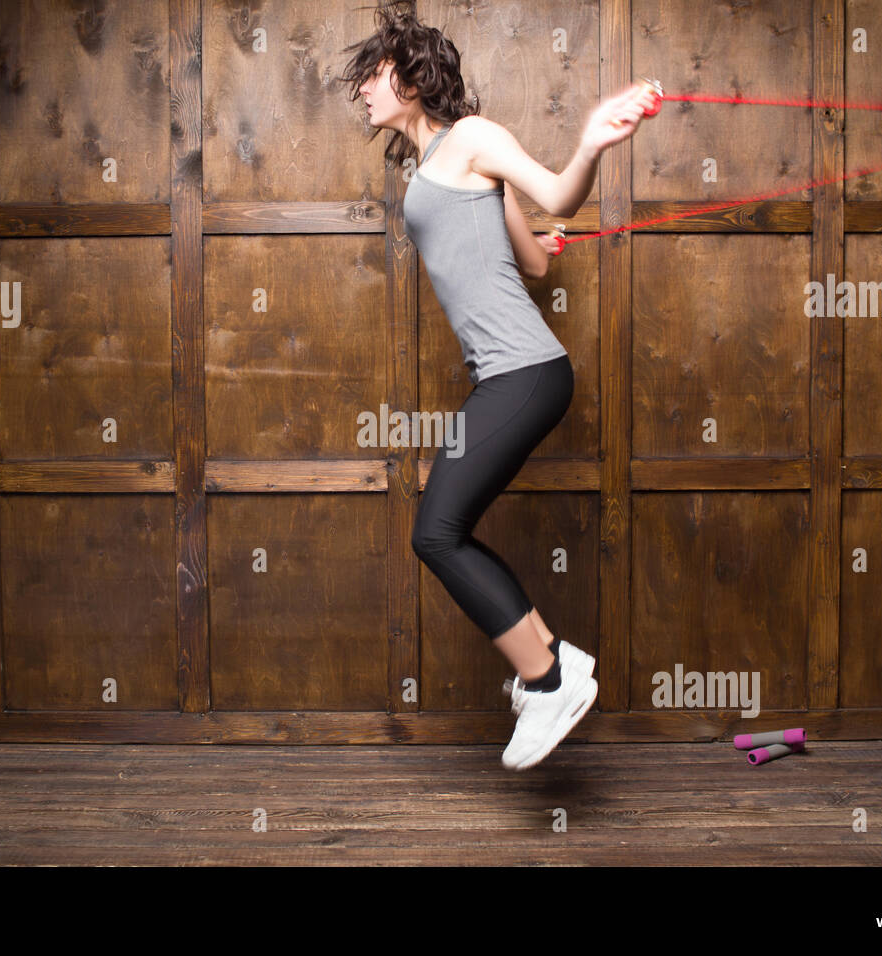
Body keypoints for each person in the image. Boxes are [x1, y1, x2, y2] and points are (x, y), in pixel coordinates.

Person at [341, 3, 654, 770]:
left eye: (373, 76)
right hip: (514, 375)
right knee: (447, 530)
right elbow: (536, 261)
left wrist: (591, 142)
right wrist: (538, 241)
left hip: (524, 372)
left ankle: (546, 680)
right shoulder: (434, 166)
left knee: (435, 533)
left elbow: (559, 193)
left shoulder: (473, 138)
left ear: (411, 75)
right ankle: (551, 660)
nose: (363, 92)